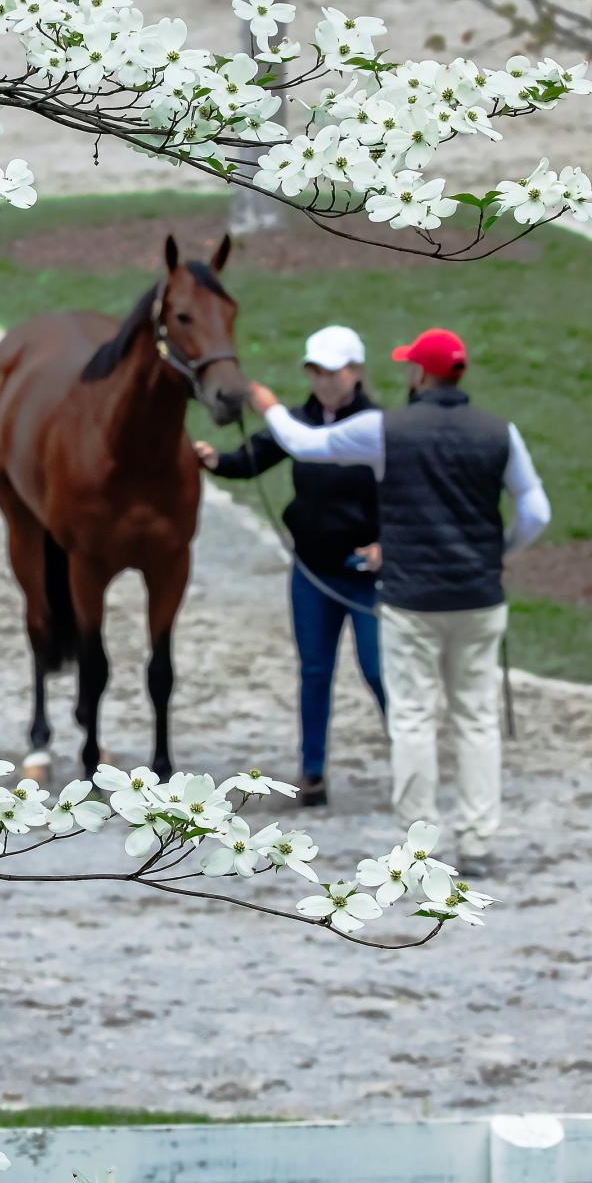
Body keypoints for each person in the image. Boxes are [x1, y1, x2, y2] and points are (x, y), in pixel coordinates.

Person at [245, 327, 551, 859]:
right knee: (476, 718)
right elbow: (536, 512)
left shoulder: (385, 429)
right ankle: (478, 840)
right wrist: (502, 550)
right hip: (478, 598)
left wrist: (270, 406)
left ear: (418, 374)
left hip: (413, 601)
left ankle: (418, 845)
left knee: (412, 718)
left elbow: (304, 444)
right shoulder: (501, 431)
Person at [194, 325, 384, 809]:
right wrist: (217, 461)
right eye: (315, 371)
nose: (323, 381)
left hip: (368, 575)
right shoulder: (297, 420)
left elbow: (407, 494)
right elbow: (253, 458)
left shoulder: (379, 426)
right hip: (313, 571)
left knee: (379, 669)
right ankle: (313, 771)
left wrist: (389, 543)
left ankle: (410, 758)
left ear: (356, 372)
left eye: (332, 371)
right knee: (315, 670)